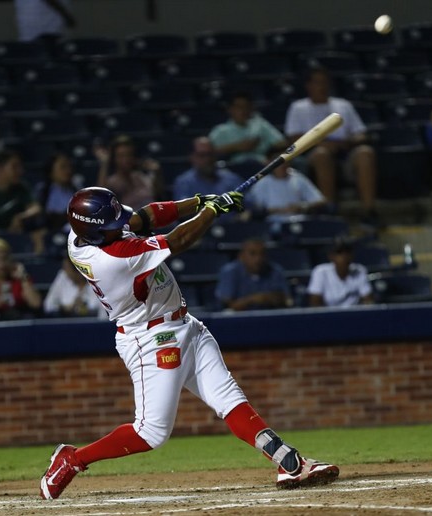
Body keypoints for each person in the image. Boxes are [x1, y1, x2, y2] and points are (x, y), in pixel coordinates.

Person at [39, 186, 339, 500]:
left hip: (184, 324)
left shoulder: (85, 235)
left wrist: (198, 201)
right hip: (151, 339)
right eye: (114, 224)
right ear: (95, 231)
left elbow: (145, 216)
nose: (123, 224)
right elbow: (179, 239)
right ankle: (73, 459)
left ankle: (289, 462)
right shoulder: (115, 258)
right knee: (151, 432)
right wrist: (213, 210)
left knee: (228, 397)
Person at [284, 68, 378, 224]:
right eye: (317, 82)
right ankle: (329, 210)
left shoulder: (343, 105)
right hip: (313, 154)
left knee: (365, 152)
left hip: (345, 152)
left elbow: (361, 133)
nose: (322, 86)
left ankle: (369, 211)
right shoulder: (298, 107)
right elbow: (294, 137)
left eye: (325, 82)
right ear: (308, 85)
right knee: (322, 154)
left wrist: (346, 142)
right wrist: (323, 143)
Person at [209, 91, 287, 165]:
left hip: (262, 166)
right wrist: (237, 147)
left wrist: (269, 152)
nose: (243, 110)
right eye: (239, 107)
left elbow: (282, 143)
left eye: (246, 106)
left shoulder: (260, 125)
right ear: (230, 109)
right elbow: (207, 152)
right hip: (233, 168)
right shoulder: (221, 130)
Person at [215, 238, 291, 311]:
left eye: (262, 254)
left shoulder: (276, 271)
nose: (258, 258)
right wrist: (253, 299)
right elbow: (228, 306)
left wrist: (267, 298)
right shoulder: (230, 272)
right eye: (252, 253)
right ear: (241, 256)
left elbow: (287, 300)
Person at [247, 155, 328, 222]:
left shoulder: (298, 178)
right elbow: (252, 209)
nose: (283, 166)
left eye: (285, 162)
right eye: (278, 164)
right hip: (273, 222)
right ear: (270, 165)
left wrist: (302, 207)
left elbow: (321, 201)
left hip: (299, 220)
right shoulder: (263, 183)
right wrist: (277, 210)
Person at [95, 135, 163, 210]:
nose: (126, 160)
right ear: (114, 159)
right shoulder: (112, 183)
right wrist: (104, 163)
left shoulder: (141, 177)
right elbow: (100, 200)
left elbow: (158, 195)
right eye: (121, 156)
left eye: (129, 155)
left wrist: (157, 173)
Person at [307, 239, 373, 308]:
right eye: (339, 252)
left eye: (347, 252)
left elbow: (368, 301)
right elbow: (315, 303)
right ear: (331, 256)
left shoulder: (359, 270)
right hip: (329, 313)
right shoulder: (320, 271)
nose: (344, 256)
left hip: (354, 313)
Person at [172, 137, 242, 201]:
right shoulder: (184, 182)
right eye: (202, 155)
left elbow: (246, 202)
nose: (207, 159)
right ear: (192, 157)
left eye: (210, 154)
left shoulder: (230, 178)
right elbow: (184, 208)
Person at [33, 152, 82, 232]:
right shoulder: (44, 190)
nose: (68, 171)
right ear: (51, 171)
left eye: (69, 167)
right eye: (63, 167)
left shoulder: (76, 188)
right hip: (51, 229)